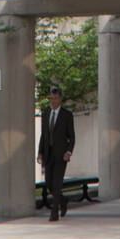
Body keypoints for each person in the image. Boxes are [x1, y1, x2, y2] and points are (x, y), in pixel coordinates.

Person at [37, 85, 75, 222]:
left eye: (55, 98)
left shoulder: (67, 115)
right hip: (48, 154)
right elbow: (44, 135)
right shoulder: (46, 114)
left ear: (60, 99)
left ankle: (54, 213)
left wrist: (68, 152)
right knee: (49, 183)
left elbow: (72, 137)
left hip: (61, 155)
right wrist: (40, 152)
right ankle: (63, 200)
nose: (53, 101)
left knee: (57, 183)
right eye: (51, 98)